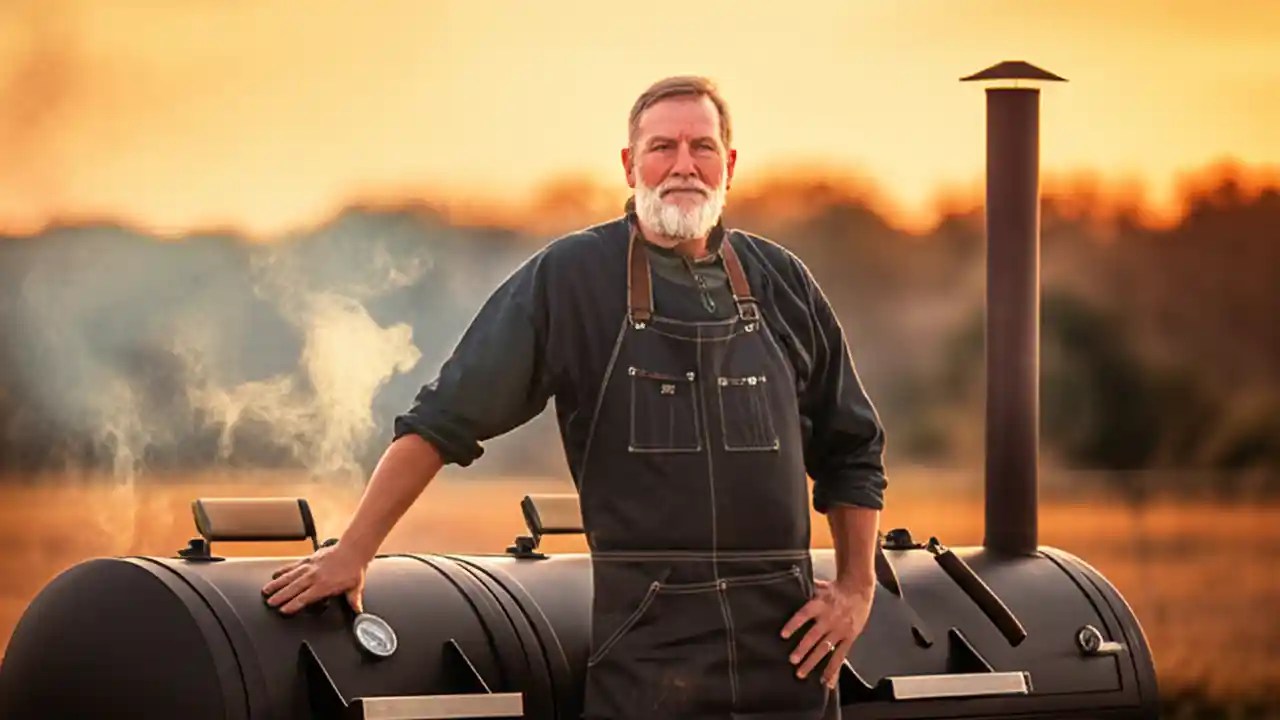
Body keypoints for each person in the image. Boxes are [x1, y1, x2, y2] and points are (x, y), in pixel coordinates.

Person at [262, 75, 887, 720]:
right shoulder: (572, 278)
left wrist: (857, 587)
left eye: (702, 147)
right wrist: (354, 551)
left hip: (789, 667)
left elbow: (853, 447)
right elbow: (442, 419)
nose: (682, 166)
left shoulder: (782, 281)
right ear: (629, 164)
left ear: (729, 164)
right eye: (661, 147)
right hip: (649, 664)